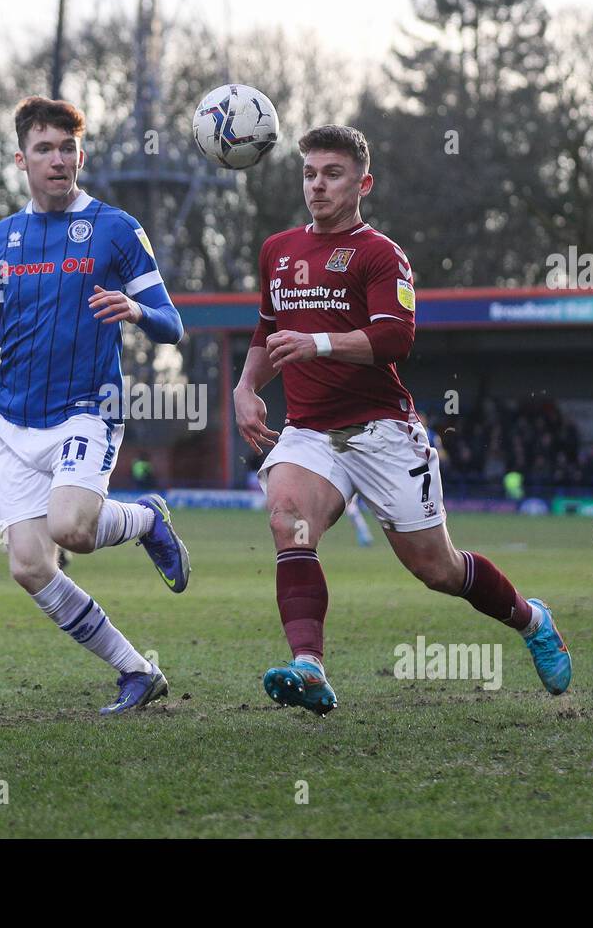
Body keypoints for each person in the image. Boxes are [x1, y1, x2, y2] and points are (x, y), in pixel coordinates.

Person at [233, 124, 571, 716]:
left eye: (332, 174)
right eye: (309, 173)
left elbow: (396, 337)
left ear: (363, 183)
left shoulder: (380, 254)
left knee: (437, 569)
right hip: (311, 433)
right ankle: (309, 667)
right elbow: (266, 329)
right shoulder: (277, 250)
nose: (317, 185)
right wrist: (245, 387)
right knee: (288, 519)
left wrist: (318, 345)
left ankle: (530, 617)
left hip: (383, 433)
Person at [0, 95, 188, 715]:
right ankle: (136, 670)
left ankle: (148, 520)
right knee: (29, 566)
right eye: (44, 149)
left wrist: (136, 310)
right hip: (17, 421)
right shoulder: (5, 236)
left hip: (88, 407)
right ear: (21, 159)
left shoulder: (117, 229)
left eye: (67, 148)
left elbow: (172, 326)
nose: (58, 159)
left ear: (81, 155)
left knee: (70, 526)